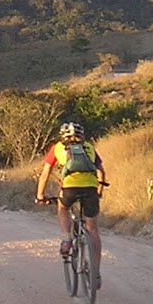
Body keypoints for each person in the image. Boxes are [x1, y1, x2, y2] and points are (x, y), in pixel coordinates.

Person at [35, 120, 108, 286]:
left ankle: (67, 240)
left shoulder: (57, 148)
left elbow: (45, 173)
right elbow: (102, 172)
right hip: (90, 189)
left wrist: (40, 195)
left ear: (62, 136)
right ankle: (95, 273)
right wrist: (100, 192)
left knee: (63, 208)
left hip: (69, 189)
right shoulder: (89, 147)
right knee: (93, 229)